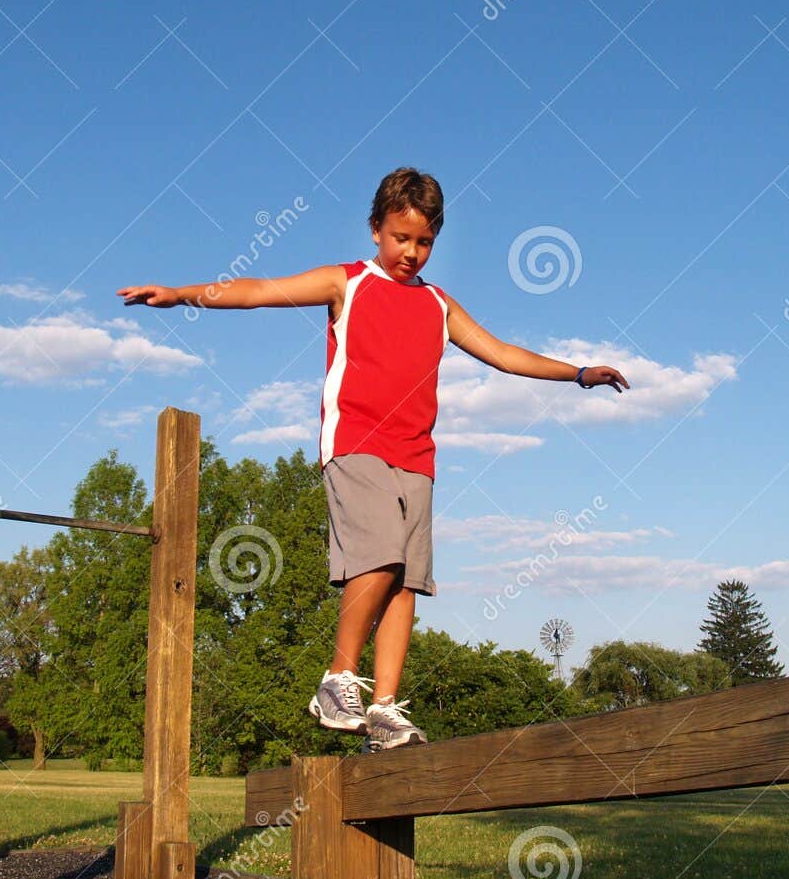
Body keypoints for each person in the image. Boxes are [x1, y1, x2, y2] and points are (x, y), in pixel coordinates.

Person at [117, 167, 629, 750]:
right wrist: (184, 294)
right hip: (357, 446)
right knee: (381, 557)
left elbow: (503, 354)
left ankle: (383, 711)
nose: (412, 252)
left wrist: (579, 373)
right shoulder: (348, 283)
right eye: (400, 238)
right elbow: (262, 290)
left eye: (425, 242)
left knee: (406, 584)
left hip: (418, 457)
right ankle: (337, 679)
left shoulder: (438, 304)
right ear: (375, 230)